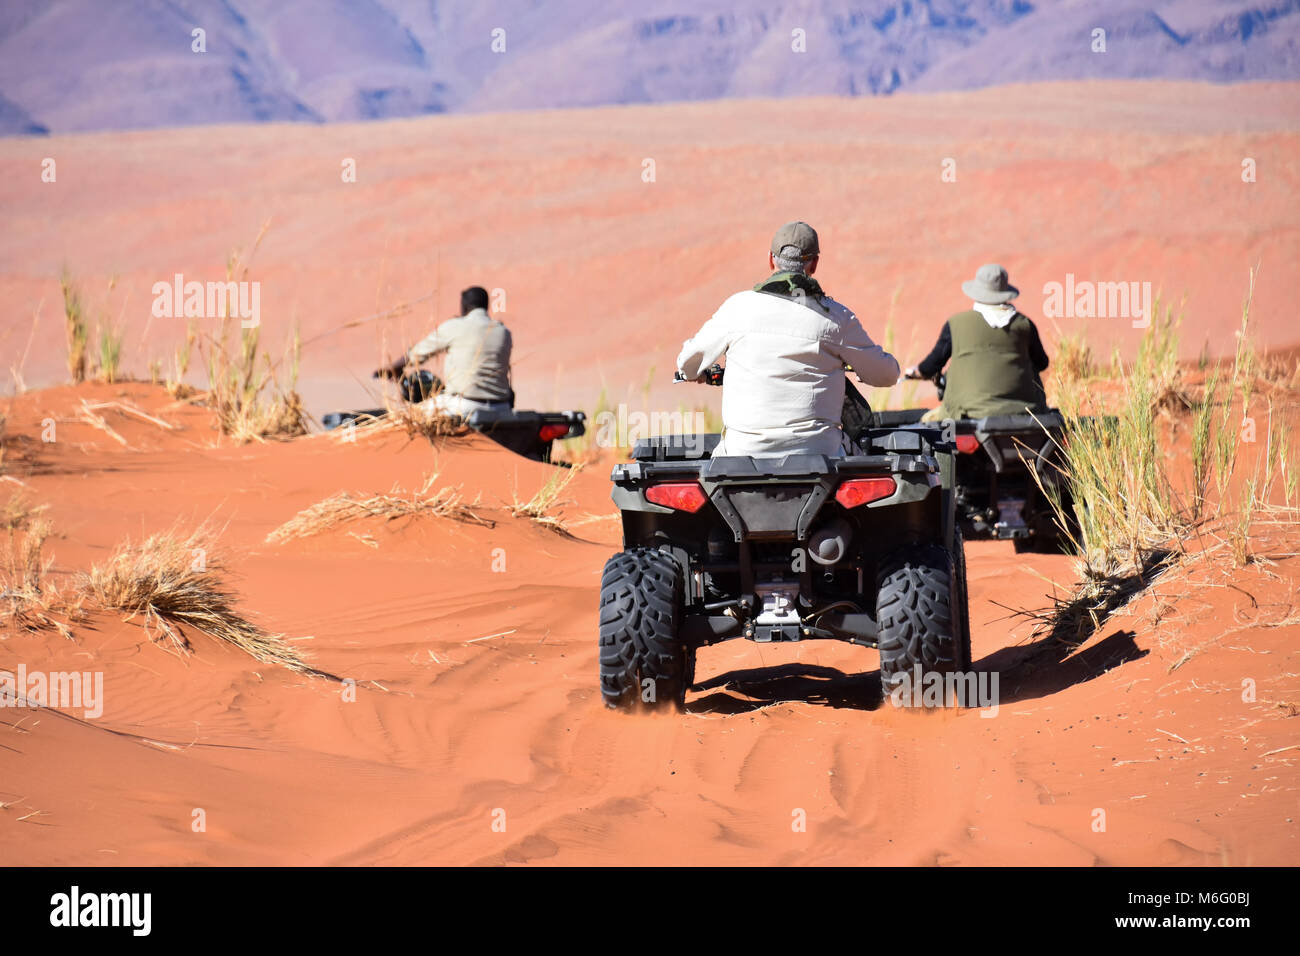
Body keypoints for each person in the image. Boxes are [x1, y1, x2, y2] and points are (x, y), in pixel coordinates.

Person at [676, 221, 899, 457]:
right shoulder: (836, 318)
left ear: (771, 260)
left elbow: (687, 362)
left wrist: (695, 374)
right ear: (814, 263)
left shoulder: (737, 308)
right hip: (820, 453)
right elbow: (887, 374)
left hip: (741, 453)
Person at [904, 263, 1049, 421]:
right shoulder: (1024, 324)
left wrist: (916, 372)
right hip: (1024, 411)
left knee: (927, 420)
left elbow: (932, 365)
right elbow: (1042, 363)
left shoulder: (956, 323)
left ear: (976, 293)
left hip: (965, 413)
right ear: (1005, 292)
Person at [375, 286, 513, 417]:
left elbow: (417, 354)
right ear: (486, 305)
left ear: (464, 306)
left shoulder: (456, 326)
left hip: (464, 405)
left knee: (411, 414)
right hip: (501, 406)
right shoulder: (503, 331)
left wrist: (392, 368)